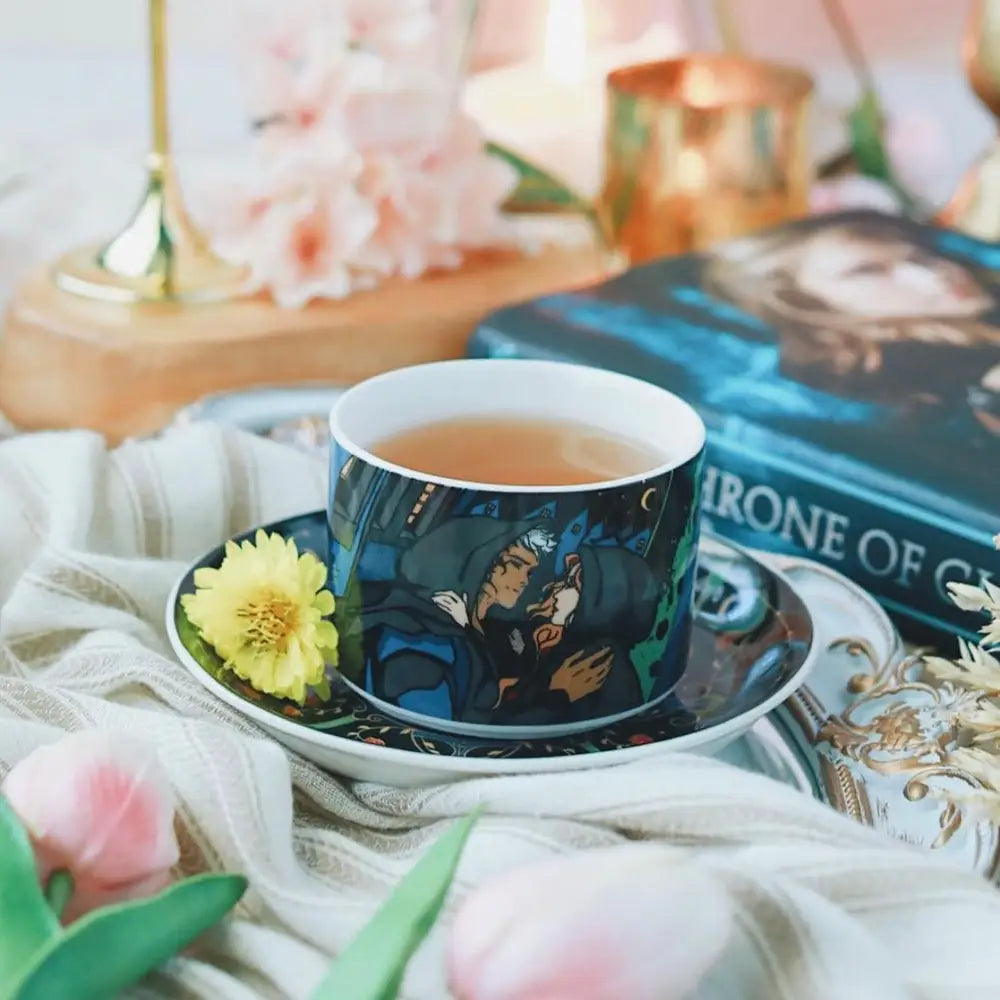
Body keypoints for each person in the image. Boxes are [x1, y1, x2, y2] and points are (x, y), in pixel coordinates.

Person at [703, 217, 1000, 417]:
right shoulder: (913, 379)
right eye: (867, 271)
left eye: (919, 257)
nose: (931, 274)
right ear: (800, 302)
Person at [358, 517, 557, 724]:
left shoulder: (492, 631)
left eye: (530, 571)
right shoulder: (422, 642)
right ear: (480, 560)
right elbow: (432, 723)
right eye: (515, 564)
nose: (525, 580)